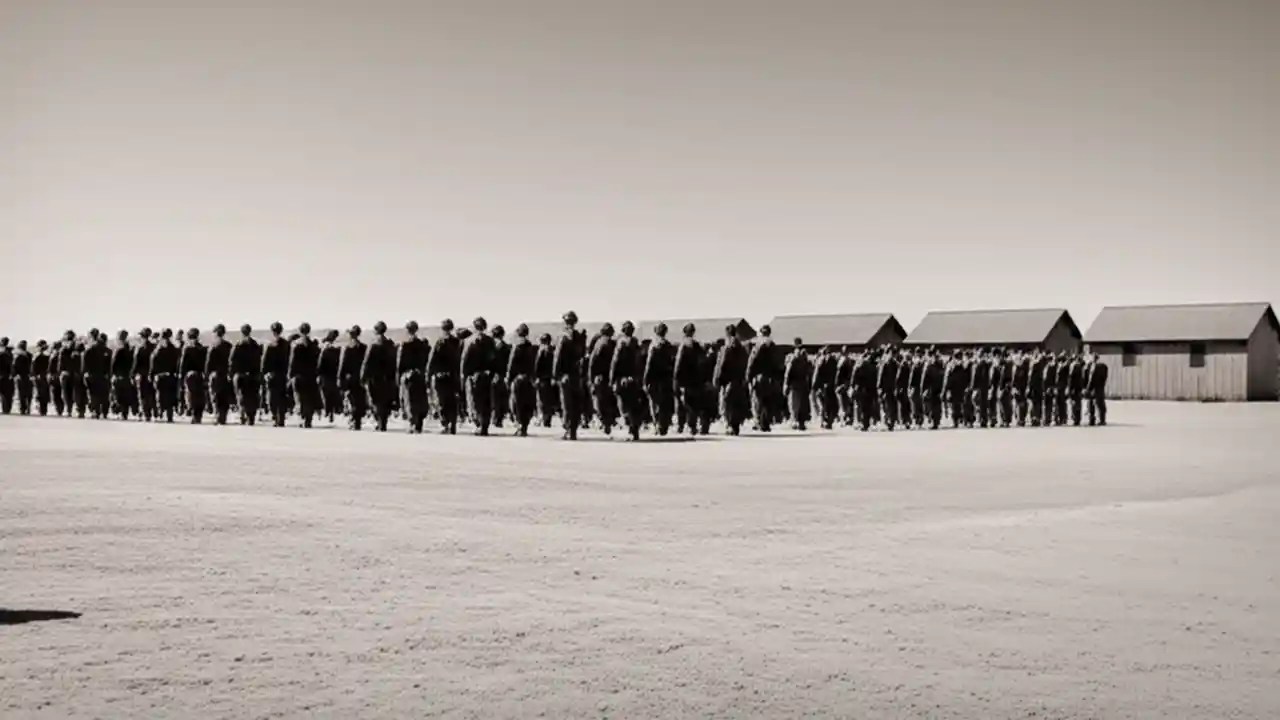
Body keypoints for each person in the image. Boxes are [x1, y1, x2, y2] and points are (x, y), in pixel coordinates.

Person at [552, 311, 586, 440]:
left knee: (566, 404)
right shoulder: (579, 337)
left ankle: (568, 429)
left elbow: (558, 357)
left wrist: (555, 375)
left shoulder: (563, 337)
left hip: (565, 375)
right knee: (576, 403)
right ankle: (573, 429)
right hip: (577, 375)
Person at [460, 317, 495, 436]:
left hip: (473, 376)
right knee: (486, 401)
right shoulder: (490, 341)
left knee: (474, 401)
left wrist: (463, 375)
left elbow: (465, 360)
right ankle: (484, 425)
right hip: (486, 375)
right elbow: (493, 359)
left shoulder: (469, 341)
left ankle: (478, 424)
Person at [609, 321, 644, 441]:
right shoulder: (635, 343)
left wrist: (611, 379)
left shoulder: (621, 343)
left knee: (623, 405)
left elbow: (615, 361)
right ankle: (635, 429)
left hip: (622, 379)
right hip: (634, 379)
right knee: (634, 405)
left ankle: (629, 428)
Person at [713, 324, 749, 435]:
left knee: (726, 404)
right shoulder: (742, 348)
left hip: (727, 381)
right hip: (739, 380)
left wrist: (717, 379)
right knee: (737, 404)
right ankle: (736, 425)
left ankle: (729, 425)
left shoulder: (726, 348)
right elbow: (746, 364)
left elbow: (722, 365)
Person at [428, 319, 463, 435]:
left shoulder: (439, 342)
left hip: (441, 377)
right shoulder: (457, 342)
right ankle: (452, 423)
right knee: (452, 401)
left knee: (441, 401)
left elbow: (432, 361)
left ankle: (445, 424)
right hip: (453, 376)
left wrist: (429, 376)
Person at [397, 320, 431, 434]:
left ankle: (413, 423)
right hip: (420, 374)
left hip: (408, 376)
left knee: (409, 400)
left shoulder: (405, 344)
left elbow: (400, 363)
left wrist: (398, 377)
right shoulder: (422, 344)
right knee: (420, 399)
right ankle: (419, 422)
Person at [642, 322, 676, 436]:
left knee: (654, 403)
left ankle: (657, 425)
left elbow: (649, 364)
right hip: (666, 378)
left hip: (655, 379)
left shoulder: (654, 345)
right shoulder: (668, 345)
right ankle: (663, 425)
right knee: (664, 403)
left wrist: (645, 380)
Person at [362, 321, 397, 432]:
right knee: (385, 400)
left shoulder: (373, 344)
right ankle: (383, 422)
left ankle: (379, 422)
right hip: (387, 377)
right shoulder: (390, 344)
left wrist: (363, 376)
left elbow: (367, 362)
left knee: (376, 401)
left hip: (375, 378)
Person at [746, 325, 781, 432]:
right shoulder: (773, 346)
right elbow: (779, 363)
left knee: (757, 401)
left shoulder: (758, 345)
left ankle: (758, 421)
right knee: (768, 401)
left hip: (759, 377)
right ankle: (766, 422)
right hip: (771, 378)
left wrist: (748, 376)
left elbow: (752, 361)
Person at [505, 323, 538, 436]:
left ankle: (520, 426)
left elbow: (511, 366)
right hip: (528, 379)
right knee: (527, 404)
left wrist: (508, 380)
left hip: (518, 380)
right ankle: (525, 426)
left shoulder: (517, 347)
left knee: (517, 404)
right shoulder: (532, 348)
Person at [672, 323, 705, 436]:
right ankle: (692, 426)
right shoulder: (697, 346)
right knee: (693, 404)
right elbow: (702, 362)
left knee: (682, 404)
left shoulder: (683, 346)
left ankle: (681, 426)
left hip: (684, 381)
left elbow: (678, 365)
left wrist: (676, 380)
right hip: (695, 380)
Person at [589, 322, 619, 435]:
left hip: (600, 377)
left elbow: (593, 362)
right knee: (608, 400)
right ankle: (608, 421)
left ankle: (604, 422)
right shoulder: (613, 344)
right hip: (610, 377)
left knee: (599, 401)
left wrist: (590, 378)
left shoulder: (599, 343)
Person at [229, 324, 262, 426]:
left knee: (241, 396)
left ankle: (242, 415)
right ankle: (251, 416)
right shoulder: (255, 344)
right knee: (252, 396)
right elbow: (259, 360)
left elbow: (232, 361)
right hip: (253, 375)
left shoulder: (238, 345)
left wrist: (231, 374)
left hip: (241, 375)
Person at [201, 324, 232, 425]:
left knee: (215, 397)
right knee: (224, 397)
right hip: (226, 375)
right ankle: (223, 417)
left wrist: (206, 376)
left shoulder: (213, 346)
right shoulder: (229, 345)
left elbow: (208, 363)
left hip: (215, 375)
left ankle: (217, 416)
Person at [261, 322, 290, 427]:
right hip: (283, 374)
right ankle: (281, 417)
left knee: (272, 398)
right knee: (282, 397)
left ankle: (275, 417)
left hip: (272, 374)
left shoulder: (269, 345)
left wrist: (264, 373)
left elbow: (264, 362)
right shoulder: (287, 344)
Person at [340, 325, 369, 430]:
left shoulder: (347, 348)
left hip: (350, 378)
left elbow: (342, 365)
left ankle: (353, 420)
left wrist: (340, 379)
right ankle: (357, 420)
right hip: (360, 377)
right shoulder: (364, 347)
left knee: (351, 400)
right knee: (359, 399)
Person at [179, 328, 208, 423]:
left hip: (190, 375)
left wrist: (181, 376)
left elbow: (183, 364)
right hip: (200, 375)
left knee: (190, 395)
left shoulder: (187, 348)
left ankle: (192, 413)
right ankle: (198, 415)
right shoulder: (202, 348)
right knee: (200, 395)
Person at [151, 329, 180, 422]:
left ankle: (161, 413)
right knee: (170, 396)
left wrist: (151, 375)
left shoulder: (158, 350)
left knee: (160, 396)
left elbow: (153, 363)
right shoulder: (174, 349)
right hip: (171, 376)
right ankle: (168, 415)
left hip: (161, 377)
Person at [783, 339, 813, 431]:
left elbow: (788, 372)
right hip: (803, 383)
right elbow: (810, 371)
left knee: (793, 404)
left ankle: (794, 421)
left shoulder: (792, 357)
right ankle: (801, 422)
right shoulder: (805, 358)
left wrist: (786, 384)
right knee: (802, 404)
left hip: (794, 384)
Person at [82, 329, 112, 419]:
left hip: (94, 375)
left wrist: (85, 374)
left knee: (94, 394)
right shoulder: (106, 350)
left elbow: (85, 364)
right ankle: (103, 411)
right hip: (102, 376)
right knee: (103, 394)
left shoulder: (90, 350)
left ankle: (96, 411)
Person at [109, 330, 136, 420]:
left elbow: (113, 364)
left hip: (119, 376)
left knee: (118, 395)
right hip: (127, 376)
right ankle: (125, 413)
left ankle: (118, 411)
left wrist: (112, 375)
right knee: (126, 396)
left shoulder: (118, 350)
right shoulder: (130, 350)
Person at [533, 332, 558, 428]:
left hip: (542, 379)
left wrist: (536, 377)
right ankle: (548, 420)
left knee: (541, 400)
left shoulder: (541, 351)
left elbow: (537, 365)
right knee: (549, 401)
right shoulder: (553, 350)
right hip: (551, 379)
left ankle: (541, 419)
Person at [318, 329, 343, 423]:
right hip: (334, 373)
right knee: (333, 393)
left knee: (326, 394)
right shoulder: (337, 349)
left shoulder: (324, 348)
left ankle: (328, 411)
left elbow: (320, 362)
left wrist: (319, 373)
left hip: (326, 374)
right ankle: (332, 411)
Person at [811, 346, 838, 430]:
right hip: (830, 385)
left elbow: (817, 374)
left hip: (823, 386)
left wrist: (815, 386)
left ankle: (824, 421)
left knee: (823, 404)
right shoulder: (833, 361)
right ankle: (828, 421)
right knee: (828, 404)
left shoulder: (820, 361)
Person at [490, 325, 511, 430]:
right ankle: (499, 419)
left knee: (494, 399)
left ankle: (495, 418)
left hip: (494, 375)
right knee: (503, 398)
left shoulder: (491, 347)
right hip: (504, 375)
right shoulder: (507, 347)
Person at [1086, 353, 1109, 426]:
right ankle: (1102, 420)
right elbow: (1105, 377)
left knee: (1091, 404)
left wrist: (1088, 388)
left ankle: (1092, 420)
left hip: (1093, 388)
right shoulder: (1104, 366)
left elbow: (1091, 379)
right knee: (1101, 405)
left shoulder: (1093, 366)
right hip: (1100, 387)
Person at [12, 340, 32, 415]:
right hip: (25, 376)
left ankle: (24, 408)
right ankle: (25, 408)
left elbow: (14, 366)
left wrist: (14, 375)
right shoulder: (28, 355)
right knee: (25, 393)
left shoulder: (18, 356)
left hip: (23, 376)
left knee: (23, 393)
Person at [32, 340, 52, 416]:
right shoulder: (48, 356)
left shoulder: (36, 356)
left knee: (39, 393)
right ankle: (43, 409)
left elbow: (33, 368)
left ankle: (41, 408)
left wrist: (34, 376)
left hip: (39, 376)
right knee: (44, 393)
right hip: (44, 376)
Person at [1068, 352, 1086, 426]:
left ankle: (1076, 419)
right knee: (1078, 404)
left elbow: (1072, 379)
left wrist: (1070, 388)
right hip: (1078, 388)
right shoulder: (1080, 367)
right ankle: (1077, 419)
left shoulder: (1075, 367)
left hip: (1075, 388)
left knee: (1075, 404)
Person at [1054, 351, 1071, 426]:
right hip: (1058, 387)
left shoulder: (1066, 367)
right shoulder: (1058, 367)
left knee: (1062, 404)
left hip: (1063, 387)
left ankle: (1063, 419)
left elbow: (1068, 378)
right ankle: (1058, 419)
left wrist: (1067, 387)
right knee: (1058, 403)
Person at [0, 337, 12, 414]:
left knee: (5, 393)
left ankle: (6, 409)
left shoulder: (4, 352)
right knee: (6, 394)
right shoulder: (8, 352)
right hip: (5, 375)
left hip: (3, 374)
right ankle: (6, 409)